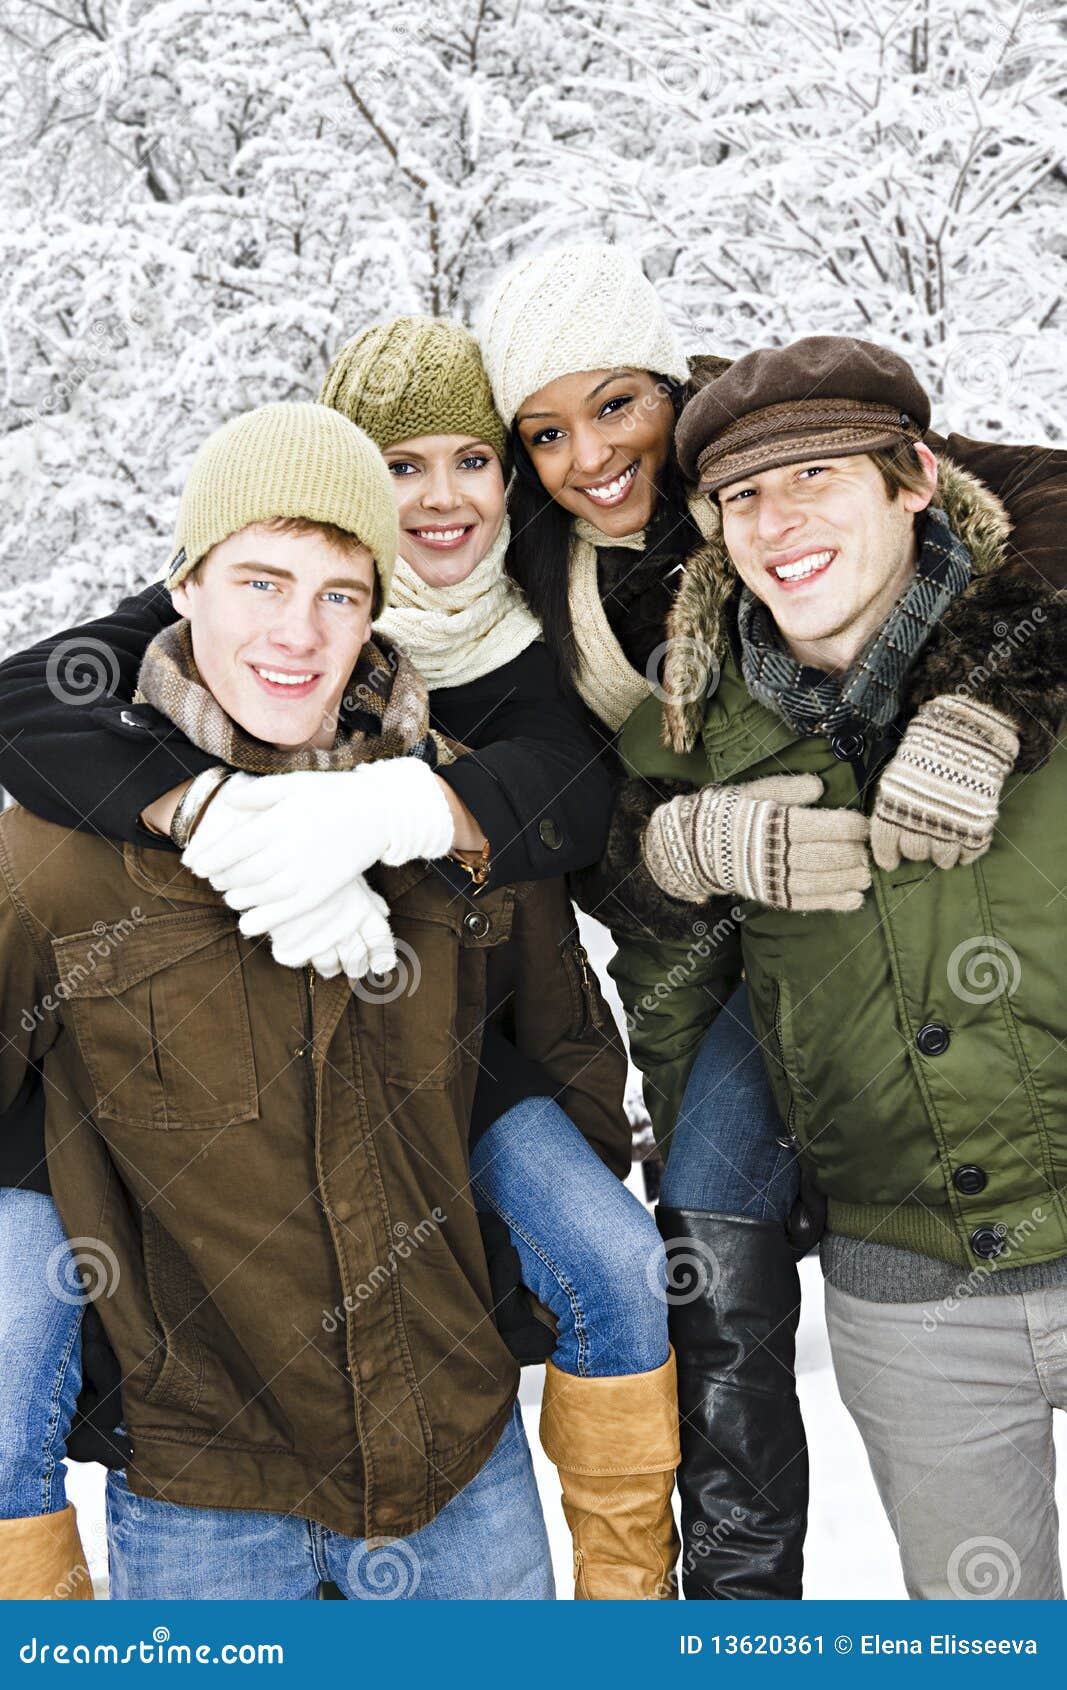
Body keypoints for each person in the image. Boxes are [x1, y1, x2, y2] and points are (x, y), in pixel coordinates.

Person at [0, 321, 680, 1601]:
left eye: (338, 596)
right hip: (203, 1485)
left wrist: (507, 1283)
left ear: (378, 608)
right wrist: (92, 1316)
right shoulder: (60, 853)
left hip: (452, 1448)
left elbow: (560, 1042)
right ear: (184, 587)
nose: (299, 633)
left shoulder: (455, 805)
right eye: (260, 583)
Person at [473, 243, 1067, 1597]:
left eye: (615, 407)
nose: (590, 457)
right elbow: (597, 839)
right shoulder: (534, 581)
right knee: (709, 1228)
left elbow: (1014, 516)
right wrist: (674, 844)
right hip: (788, 1060)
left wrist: (983, 701)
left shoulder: (801, 452)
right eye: (545, 433)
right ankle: (738, 1608)